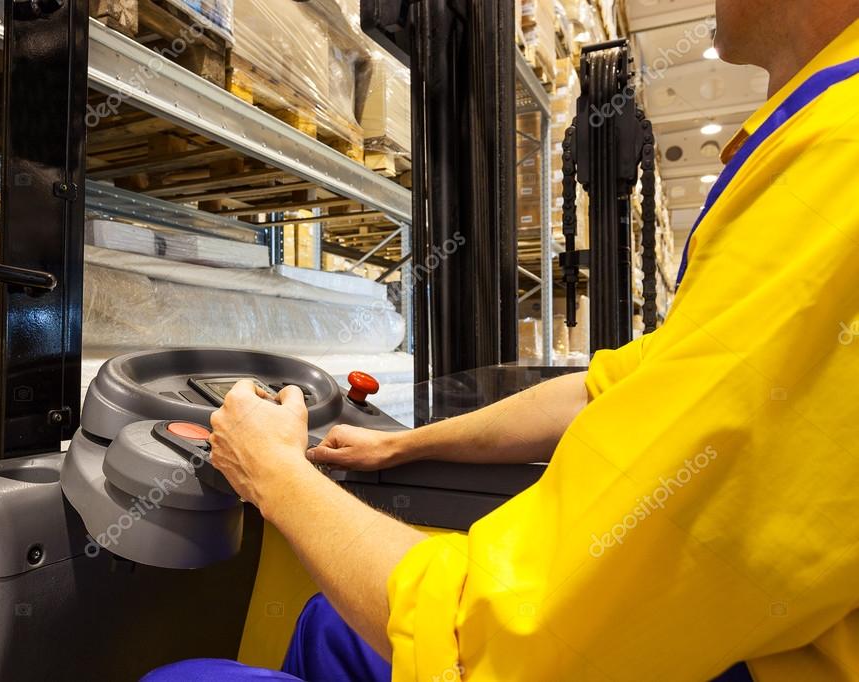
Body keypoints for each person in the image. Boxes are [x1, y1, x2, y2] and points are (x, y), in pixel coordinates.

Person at [145, 2, 859, 679]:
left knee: (183, 677)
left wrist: (273, 474)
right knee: (328, 624)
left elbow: (500, 642)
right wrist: (403, 445)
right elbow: (601, 387)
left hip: (717, 661)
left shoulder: (837, 160)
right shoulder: (816, 139)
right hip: (735, 645)